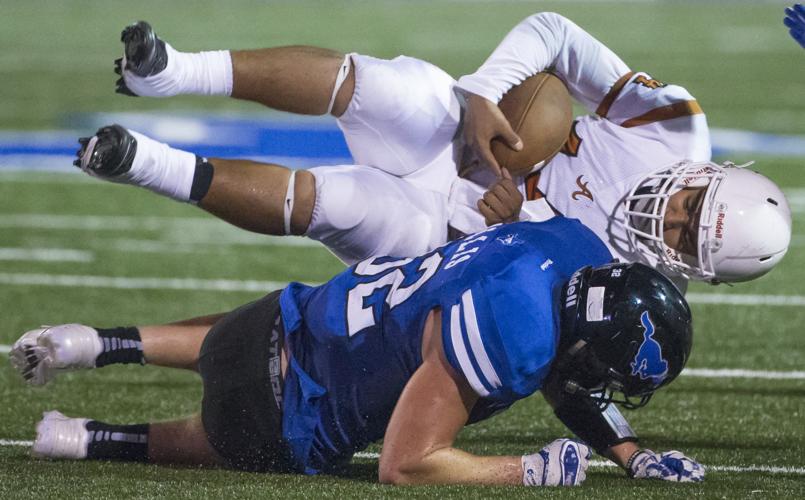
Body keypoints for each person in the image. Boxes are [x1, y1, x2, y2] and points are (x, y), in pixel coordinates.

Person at [74, 13, 790, 290]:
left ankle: (140, 163)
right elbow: (555, 34)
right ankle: (172, 73)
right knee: (398, 88)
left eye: (683, 238)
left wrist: (515, 233)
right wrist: (483, 93)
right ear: (709, 172)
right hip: (455, 137)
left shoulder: (635, 294)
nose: (669, 218)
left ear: (696, 272)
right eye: (692, 205)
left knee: (344, 203)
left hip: (450, 234)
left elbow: (522, 324)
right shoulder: (670, 124)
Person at [10, 219, 704, 484]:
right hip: (278, 412)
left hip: (267, 322)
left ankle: (90, 342)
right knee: (214, 437)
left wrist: (629, 451)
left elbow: (565, 363)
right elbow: (407, 464)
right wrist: (522, 469)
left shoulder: (571, 247)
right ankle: (81, 439)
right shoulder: (515, 338)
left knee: (250, 337)